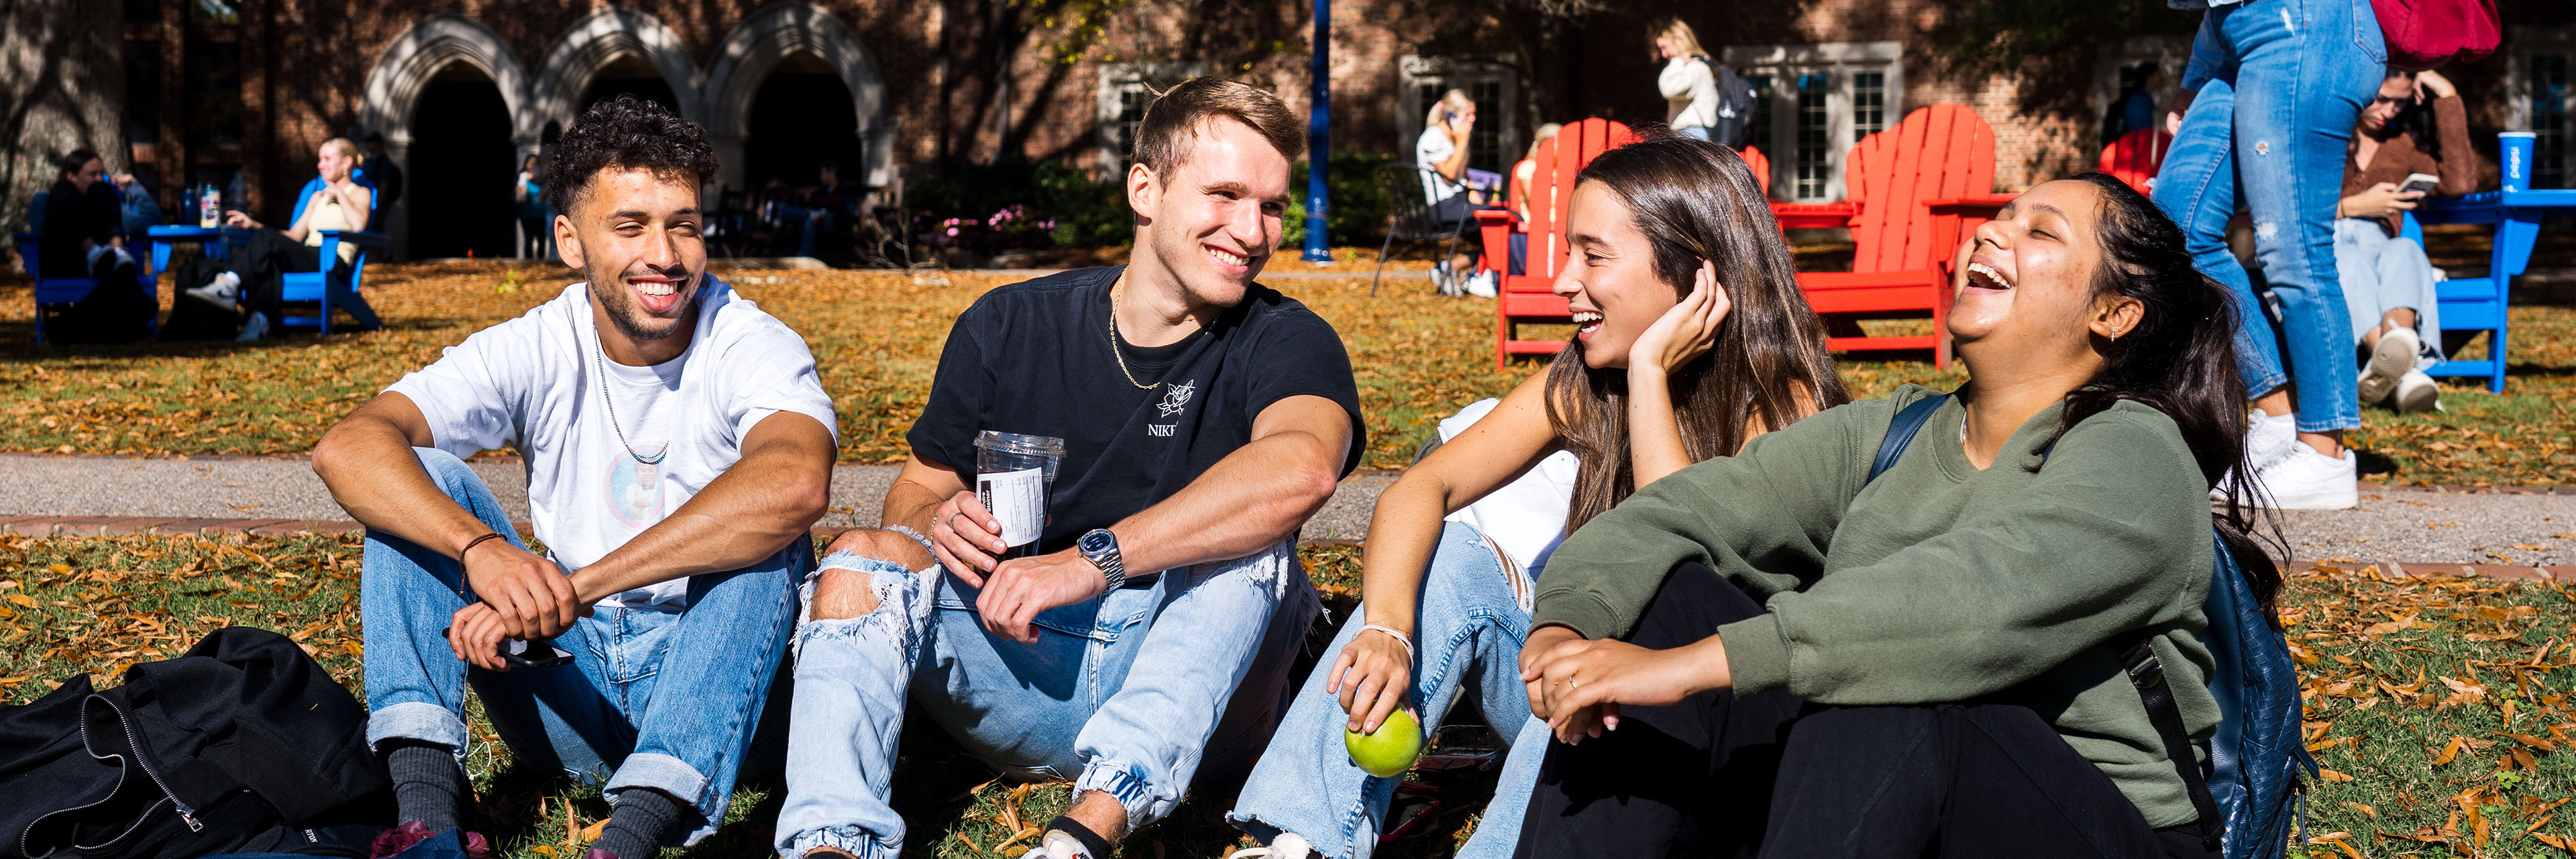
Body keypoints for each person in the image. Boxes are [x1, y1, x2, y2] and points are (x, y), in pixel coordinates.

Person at [1509, 173, 2269, 858]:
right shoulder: (1892, 432)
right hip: (1873, 793)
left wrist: (1687, 668)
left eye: (2039, 231)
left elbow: (1964, 604)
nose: (1990, 232)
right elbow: (1674, 512)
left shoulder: (2137, 453)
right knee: (1667, 595)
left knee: (1889, 683)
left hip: (2096, 826)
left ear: (2113, 313)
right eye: (1999, 216)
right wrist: (1566, 628)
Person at [775, 77, 1364, 859]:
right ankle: (830, 842)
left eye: (1272, 206)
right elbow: (916, 488)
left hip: (1198, 685)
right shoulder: (1008, 323)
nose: (1252, 231)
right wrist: (933, 520)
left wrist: (1094, 561)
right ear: (1145, 189)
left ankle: (1086, 830)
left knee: (1253, 542)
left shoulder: (1288, 337)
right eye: (1225, 195)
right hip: (1023, 653)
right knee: (858, 561)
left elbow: (1302, 471)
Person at [1226, 134, 1849, 859]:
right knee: (1455, 554)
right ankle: (1300, 836)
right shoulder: (1588, 383)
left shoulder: (1787, 407)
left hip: (1706, 731)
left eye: (1593, 256)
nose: (1561, 281)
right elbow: (1424, 485)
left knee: (1599, 648)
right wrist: (1390, 629)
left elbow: (1685, 565)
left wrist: (1649, 372)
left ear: (1691, 272)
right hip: (1581, 696)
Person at [313, 93, 837, 858]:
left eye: (683, 225)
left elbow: (796, 482)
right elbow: (349, 447)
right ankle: (428, 817)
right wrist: (480, 551)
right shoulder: (538, 343)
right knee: (418, 478)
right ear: (569, 239)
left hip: (725, 691)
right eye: (630, 226)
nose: (665, 254)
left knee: (767, 536)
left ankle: (631, 838)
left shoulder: (750, 341)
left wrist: (577, 584)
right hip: (570, 687)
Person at [2152, 0, 2383, 510]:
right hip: (2229, 40)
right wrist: (2197, 74)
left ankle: (2325, 454)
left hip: (2304, 27)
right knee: (2175, 229)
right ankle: (2279, 418)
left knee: (2292, 245)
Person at [2338, 67, 2473, 415]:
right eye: (2381, 100)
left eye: (2399, 103)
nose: (2390, 111)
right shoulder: (2327, 138)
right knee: (2349, 259)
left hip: (2381, 246)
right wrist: (2354, 206)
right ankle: (2405, 370)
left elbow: (2458, 184)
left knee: (2407, 249)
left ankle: (2387, 363)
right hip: (2328, 240)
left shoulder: (2403, 145)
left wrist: (2444, 90)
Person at [205, 138, 384, 338]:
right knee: (269, 260)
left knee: (267, 249)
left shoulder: (361, 193)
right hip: (307, 256)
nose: (320, 165)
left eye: (326, 159)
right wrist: (253, 225)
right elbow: (294, 236)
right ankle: (259, 322)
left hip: (332, 262)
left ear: (347, 163)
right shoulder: (317, 197)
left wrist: (340, 195)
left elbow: (359, 226)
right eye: (319, 160)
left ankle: (229, 285)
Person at [36, 149, 153, 342]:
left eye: (101, 174)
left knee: (102, 190)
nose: (99, 178)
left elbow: (151, 221)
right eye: (92, 174)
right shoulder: (53, 197)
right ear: (71, 175)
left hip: (106, 263)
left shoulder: (104, 196)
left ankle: (117, 252)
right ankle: (93, 252)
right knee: (64, 189)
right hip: (66, 261)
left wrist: (133, 189)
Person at [1416, 89, 1498, 297]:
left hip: (1458, 201)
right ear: (1451, 116)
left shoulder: (1452, 137)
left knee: (1501, 220)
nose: (1473, 119)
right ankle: (1474, 276)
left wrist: (1476, 197)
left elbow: (1462, 178)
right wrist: (1462, 141)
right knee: (1501, 223)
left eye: (1474, 114)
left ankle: (1449, 269)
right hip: (1443, 207)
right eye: (1468, 114)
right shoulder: (1433, 137)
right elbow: (1449, 174)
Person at [768, 162, 859, 259]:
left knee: (810, 218)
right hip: (814, 218)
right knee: (810, 220)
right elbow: (810, 205)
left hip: (831, 220)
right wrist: (811, 210)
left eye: (823, 173)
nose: (821, 176)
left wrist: (823, 214)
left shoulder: (844, 190)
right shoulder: (821, 191)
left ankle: (803, 255)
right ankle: (803, 255)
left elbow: (845, 213)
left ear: (832, 173)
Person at [2103, 62, 2164, 146]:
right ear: (2149, 77)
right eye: (2158, 74)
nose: (2162, 78)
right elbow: (2141, 136)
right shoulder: (2140, 101)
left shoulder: (2142, 99)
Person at [515, 154, 551, 260]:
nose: (532, 166)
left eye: (535, 164)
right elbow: (518, 198)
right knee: (528, 239)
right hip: (527, 215)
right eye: (530, 163)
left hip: (542, 215)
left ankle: (541, 263)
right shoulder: (522, 178)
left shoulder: (545, 179)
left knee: (541, 240)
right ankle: (528, 263)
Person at [363, 131, 404, 211]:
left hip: (378, 201)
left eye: (370, 142)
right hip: (367, 197)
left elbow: (384, 184)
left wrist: (377, 204)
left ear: (378, 144)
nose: (366, 144)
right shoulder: (368, 160)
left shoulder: (383, 162)